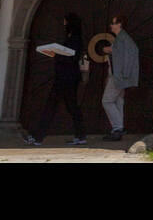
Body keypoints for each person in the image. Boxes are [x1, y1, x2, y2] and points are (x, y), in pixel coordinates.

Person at [25, 12, 87, 146]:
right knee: (70, 107)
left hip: (66, 78)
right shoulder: (71, 37)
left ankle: (38, 137)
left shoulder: (75, 39)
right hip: (65, 77)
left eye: (66, 21)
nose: (64, 24)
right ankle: (80, 135)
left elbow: (71, 57)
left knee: (53, 106)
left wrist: (56, 55)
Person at [101, 14, 138, 141]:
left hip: (119, 76)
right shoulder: (122, 38)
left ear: (119, 25)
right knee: (118, 101)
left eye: (113, 23)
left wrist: (124, 74)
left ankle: (118, 128)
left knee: (107, 101)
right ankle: (118, 129)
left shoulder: (123, 38)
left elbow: (128, 55)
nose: (111, 25)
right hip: (120, 75)